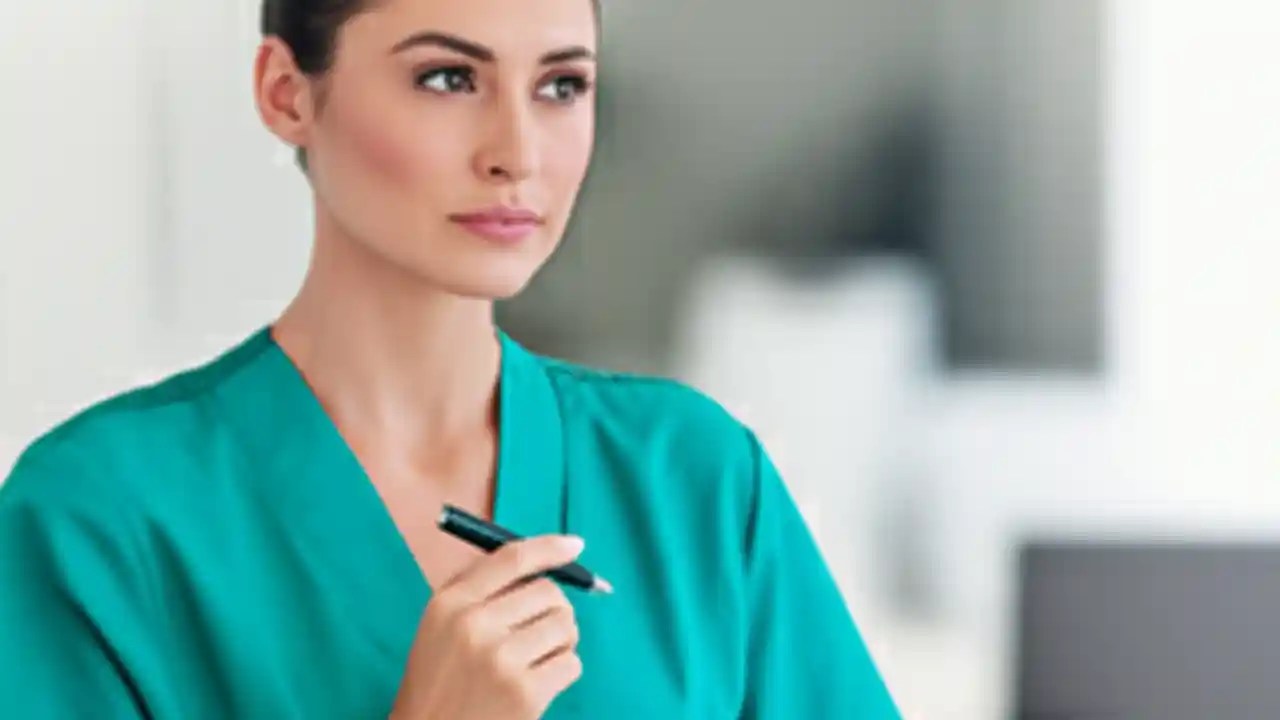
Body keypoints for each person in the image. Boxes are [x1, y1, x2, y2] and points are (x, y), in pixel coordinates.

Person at [0, 0, 899, 717]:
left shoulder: (696, 480)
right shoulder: (97, 521)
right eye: (447, 77)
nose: (517, 152)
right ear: (286, 93)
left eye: (560, 87)